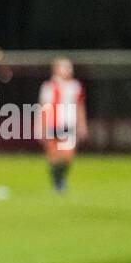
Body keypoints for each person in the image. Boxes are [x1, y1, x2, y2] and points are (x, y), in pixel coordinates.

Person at [37, 57, 86, 193]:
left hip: (68, 122)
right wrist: (40, 126)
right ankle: (57, 182)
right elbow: (43, 107)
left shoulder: (75, 86)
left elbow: (80, 106)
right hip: (52, 123)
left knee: (67, 155)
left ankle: (61, 177)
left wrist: (82, 124)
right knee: (53, 154)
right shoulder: (48, 86)